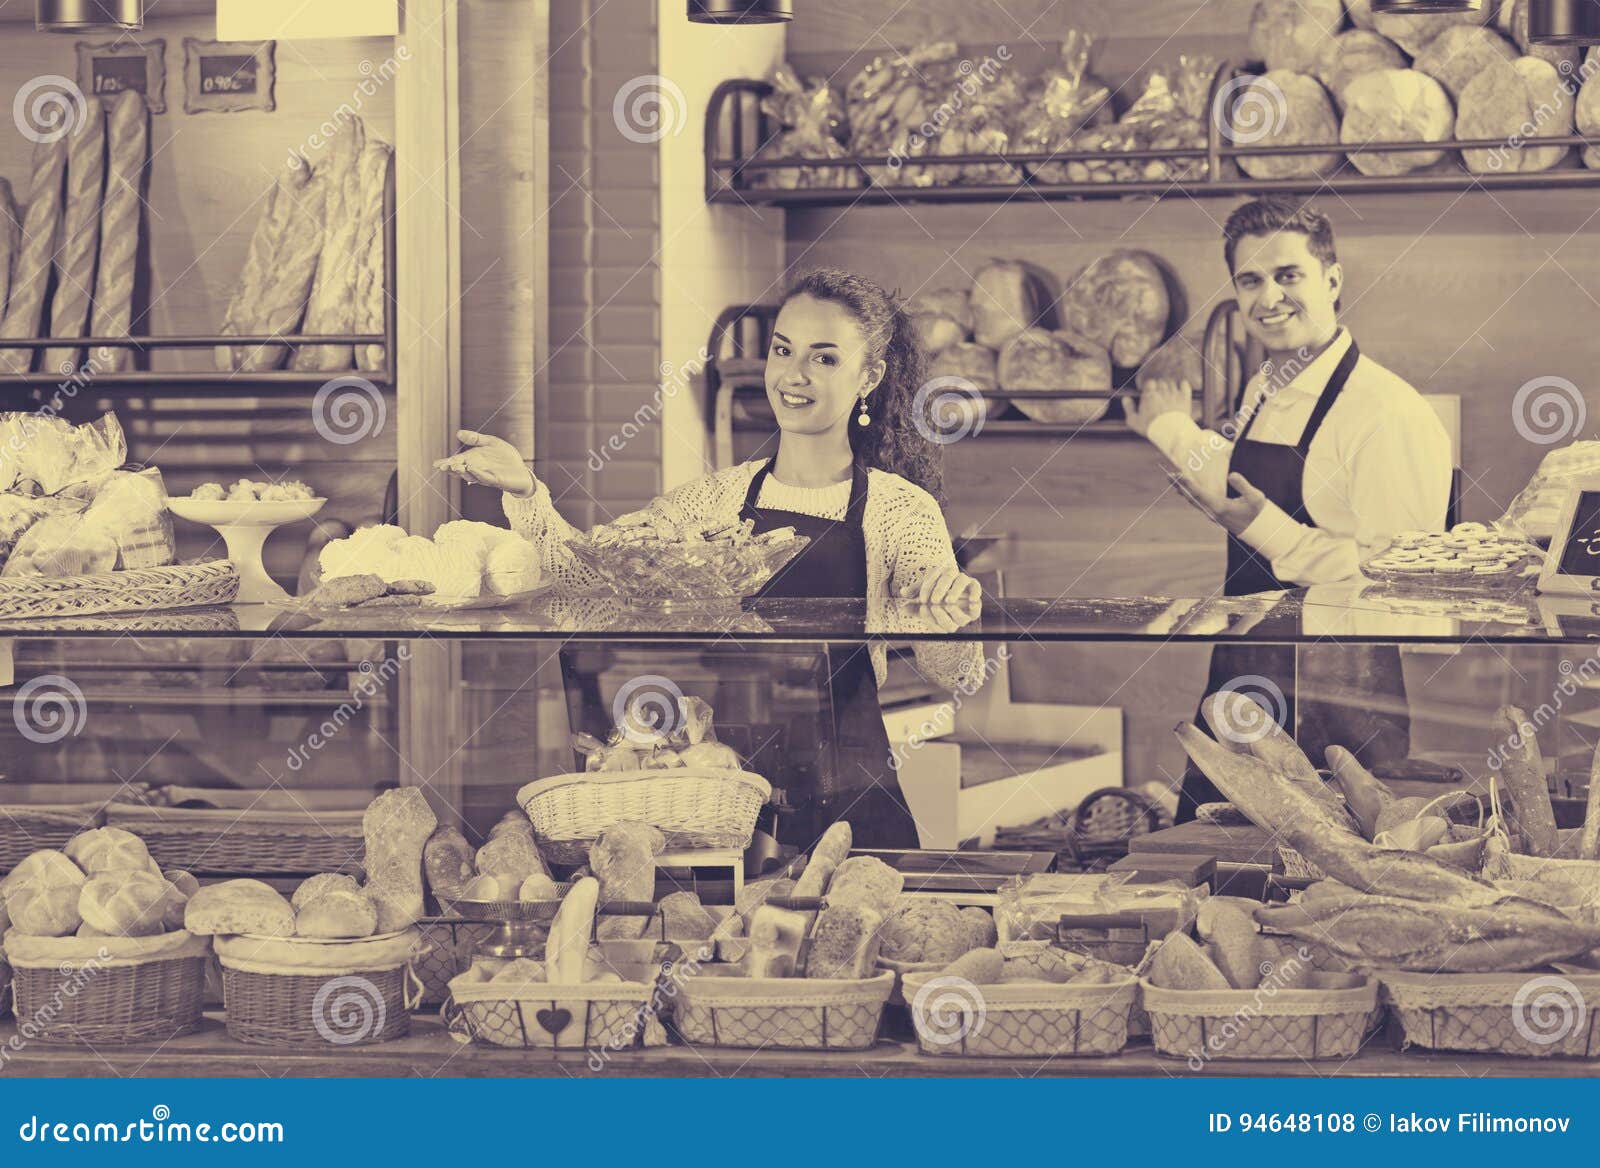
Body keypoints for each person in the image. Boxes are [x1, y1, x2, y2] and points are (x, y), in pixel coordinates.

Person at [437, 267, 985, 849]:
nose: (793, 376)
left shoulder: (900, 510)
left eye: (824, 359)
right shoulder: (712, 500)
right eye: (782, 350)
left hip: (853, 796)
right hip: (716, 793)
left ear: (868, 377)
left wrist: (944, 611)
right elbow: (587, 575)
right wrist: (525, 493)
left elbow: (957, 673)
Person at [1125, 196, 1452, 821]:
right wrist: (1167, 428)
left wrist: (1264, 528)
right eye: (1249, 280)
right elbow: (1235, 474)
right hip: (1246, 670)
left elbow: (1402, 581)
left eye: (1287, 275)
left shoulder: (1388, 412)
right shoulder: (1266, 388)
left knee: (1331, 883)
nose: (1267, 297)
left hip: (1337, 696)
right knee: (1218, 859)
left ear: (1332, 279)